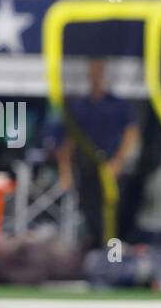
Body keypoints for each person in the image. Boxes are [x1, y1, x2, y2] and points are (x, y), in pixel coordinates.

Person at [55, 57, 140, 253]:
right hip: (86, 167)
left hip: (112, 167)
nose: (97, 76)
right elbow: (66, 141)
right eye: (93, 71)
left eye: (100, 71)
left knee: (115, 215)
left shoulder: (118, 105)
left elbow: (131, 134)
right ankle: (96, 257)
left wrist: (118, 161)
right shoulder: (79, 106)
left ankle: (114, 259)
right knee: (89, 212)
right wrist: (65, 171)